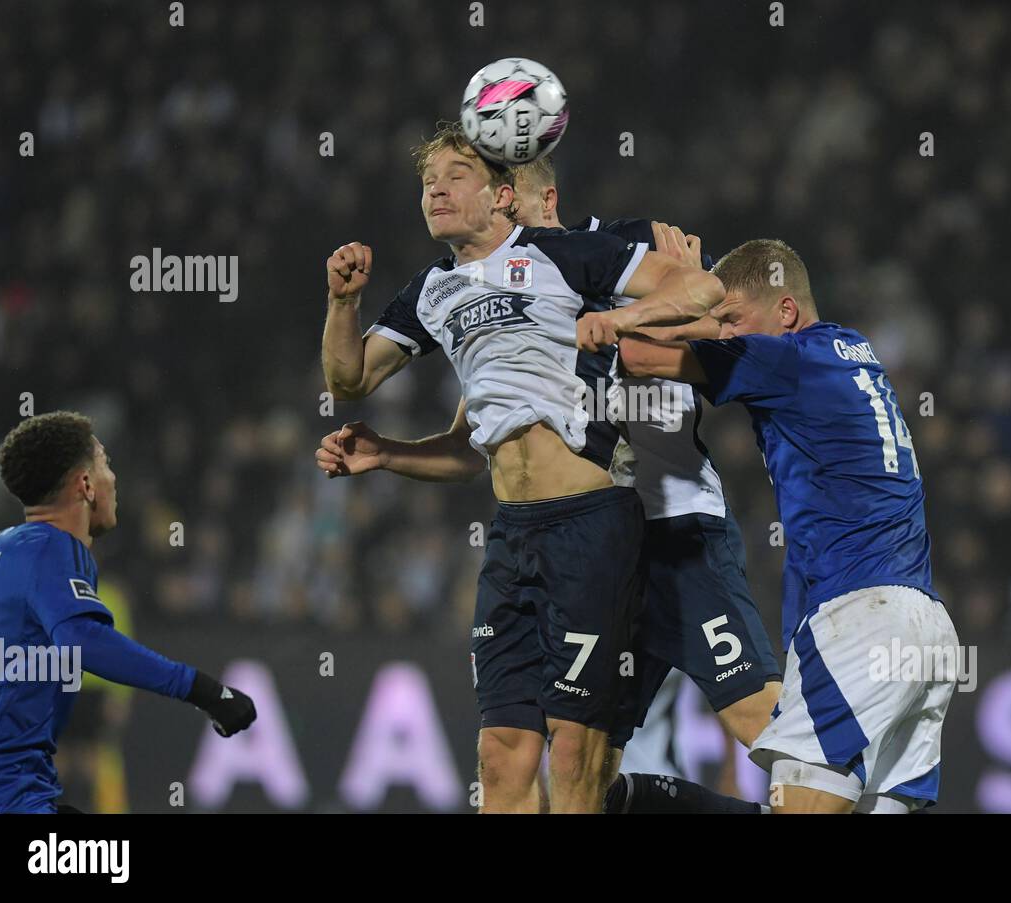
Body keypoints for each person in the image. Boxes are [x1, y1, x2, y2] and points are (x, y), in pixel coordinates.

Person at [317, 157, 782, 814]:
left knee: (753, 716)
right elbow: (464, 444)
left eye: (517, 211)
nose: (515, 239)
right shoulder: (513, 313)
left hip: (676, 527)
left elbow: (722, 319)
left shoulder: (626, 264)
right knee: (582, 773)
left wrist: (647, 317)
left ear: (535, 200)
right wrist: (388, 451)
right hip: (589, 539)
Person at [601, 239, 960, 814]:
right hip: (924, 625)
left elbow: (640, 356)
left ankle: (635, 799)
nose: (722, 334)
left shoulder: (786, 360)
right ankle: (634, 799)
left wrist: (664, 294)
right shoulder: (852, 352)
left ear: (785, 312)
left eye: (733, 319)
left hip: (857, 615)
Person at [0, 411, 256, 814]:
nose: (113, 478)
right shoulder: (53, 548)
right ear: (86, 484)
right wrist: (206, 690)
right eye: (105, 463)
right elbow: (83, 639)